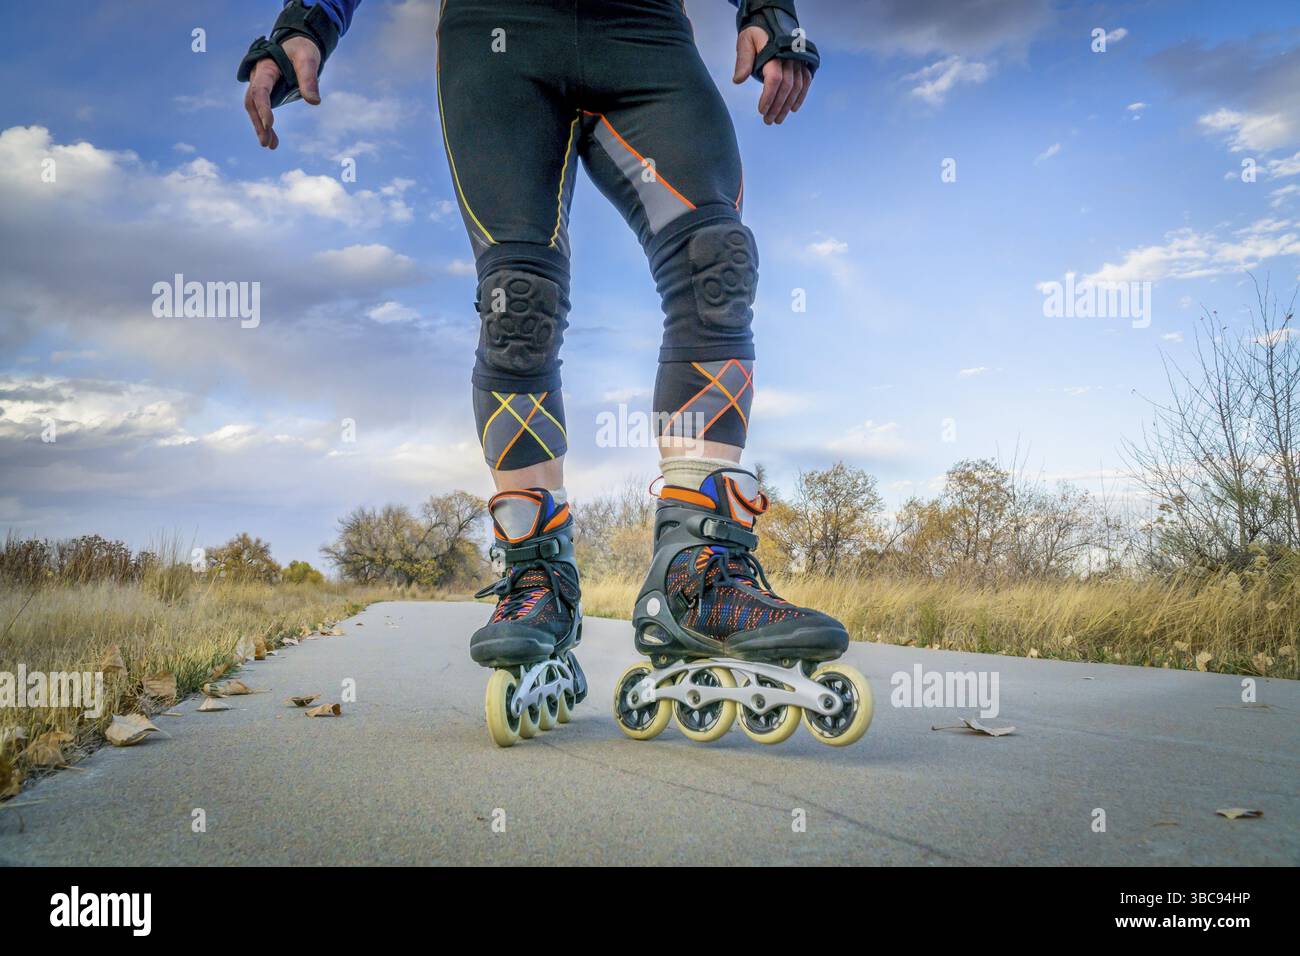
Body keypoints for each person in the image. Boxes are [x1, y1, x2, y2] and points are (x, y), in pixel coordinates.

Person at [239, 0, 872, 749]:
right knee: (519, 300)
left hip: (643, 32)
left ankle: (700, 569)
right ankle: (538, 573)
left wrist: (767, 9)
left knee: (717, 262)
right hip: (498, 35)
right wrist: (306, 22)